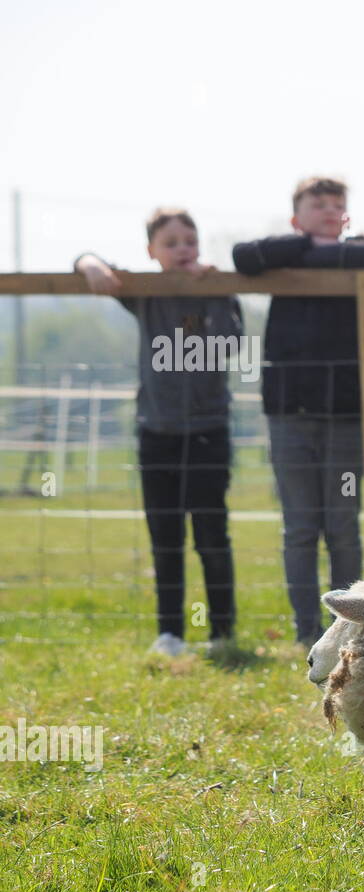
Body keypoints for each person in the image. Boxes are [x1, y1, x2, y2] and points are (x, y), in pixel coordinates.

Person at [74, 209, 240, 656]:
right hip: (156, 432)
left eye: (189, 240)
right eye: (171, 242)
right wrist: (89, 262)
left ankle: (221, 632)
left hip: (208, 431)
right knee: (165, 537)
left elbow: (229, 345)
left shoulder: (217, 289)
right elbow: (87, 259)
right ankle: (170, 633)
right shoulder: (143, 293)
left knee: (211, 536)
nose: (182, 248)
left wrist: (215, 291)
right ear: (152, 251)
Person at [233, 177, 364, 645]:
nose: (330, 210)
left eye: (338, 204)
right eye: (318, 204)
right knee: (299, 527)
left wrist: (297, 252)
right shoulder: (280, 253)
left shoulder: (354, 253)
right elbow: (243, 256)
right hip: (288, 412)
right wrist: (303, 245)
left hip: (346, 415)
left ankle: (346, 627)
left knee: (342, 524)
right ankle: (304, 632)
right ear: (296, 218)